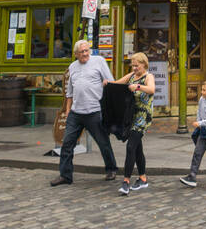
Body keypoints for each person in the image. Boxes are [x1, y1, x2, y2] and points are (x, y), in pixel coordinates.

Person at [51, 40, 118, 186]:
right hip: (76, 113)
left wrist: (107, 88)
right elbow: (69, 92)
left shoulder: (99, 61)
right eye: (82, 52)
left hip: (94, 111)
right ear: (75, 54)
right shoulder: (72, 67)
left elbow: (111, 82)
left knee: (103, 142)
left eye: (87, 50)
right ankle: (65, 175)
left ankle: (111, 169)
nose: (85, 54)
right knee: (67, 144)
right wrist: (68, 111)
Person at [113, 52, 155, 195]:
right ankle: (143, 178)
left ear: (144, 64)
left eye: (137, 65)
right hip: (131, 116)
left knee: (131, 147)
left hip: (143, 117)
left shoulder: (148, 77)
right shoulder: (131, 76)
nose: (134, 68)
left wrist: (137, 87)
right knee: (137, 148)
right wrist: (107, 83)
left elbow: (151, 89)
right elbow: (117, 84)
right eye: (133, 65)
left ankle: (126, 181)